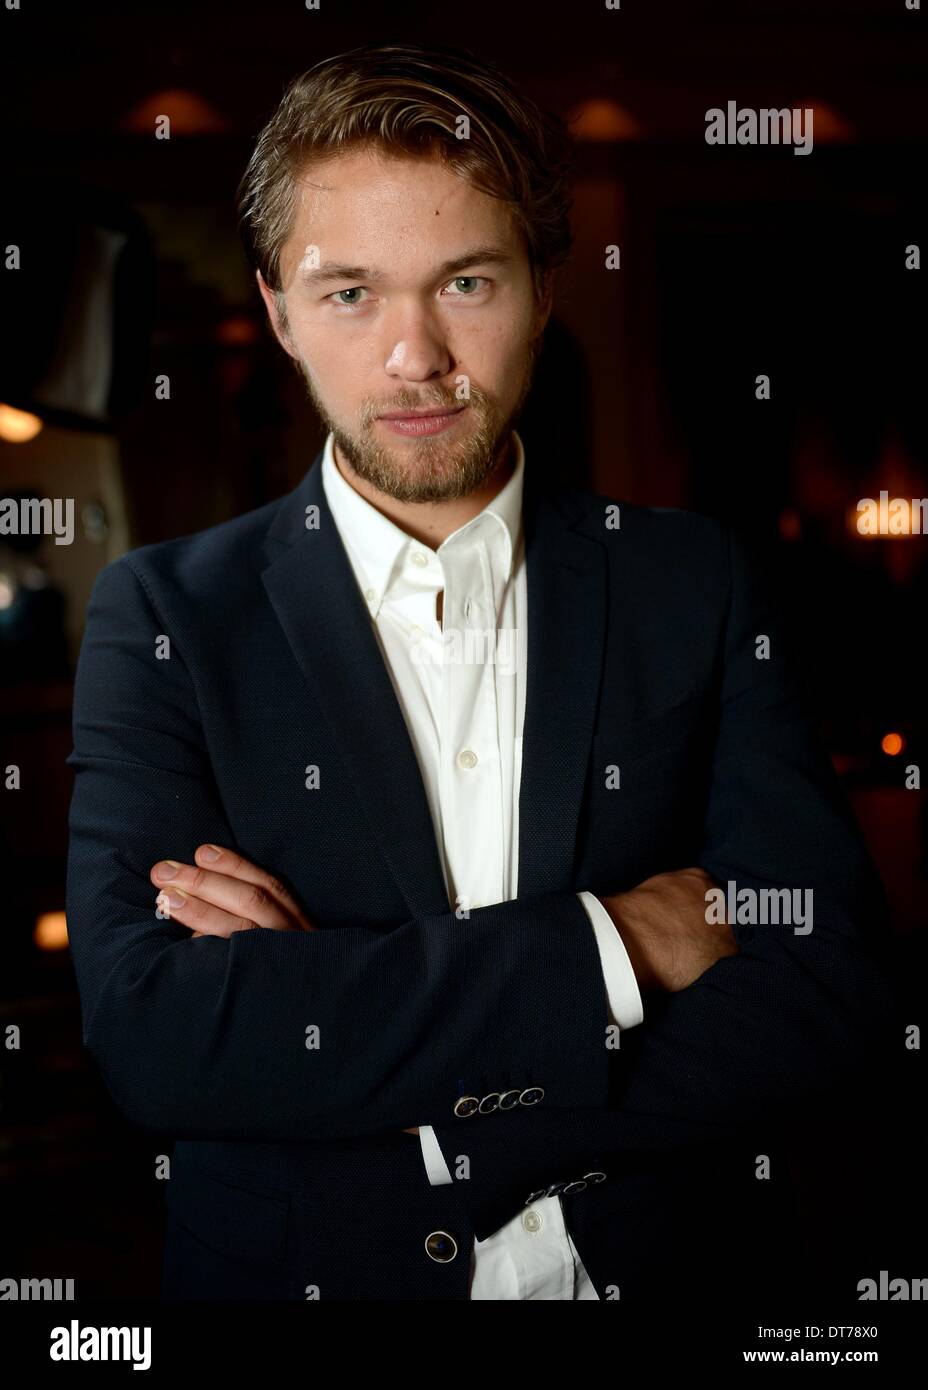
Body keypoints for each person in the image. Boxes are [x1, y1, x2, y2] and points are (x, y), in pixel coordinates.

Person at [65, 41, 893, 1302]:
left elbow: (826, 989)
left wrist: (423, 1118)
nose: (413, 357)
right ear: (278, 311)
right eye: (349, 293)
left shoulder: (692, 581)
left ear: (544, 289)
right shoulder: (165, 611)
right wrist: (612, 948)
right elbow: (162, 1040)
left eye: (464, 281)